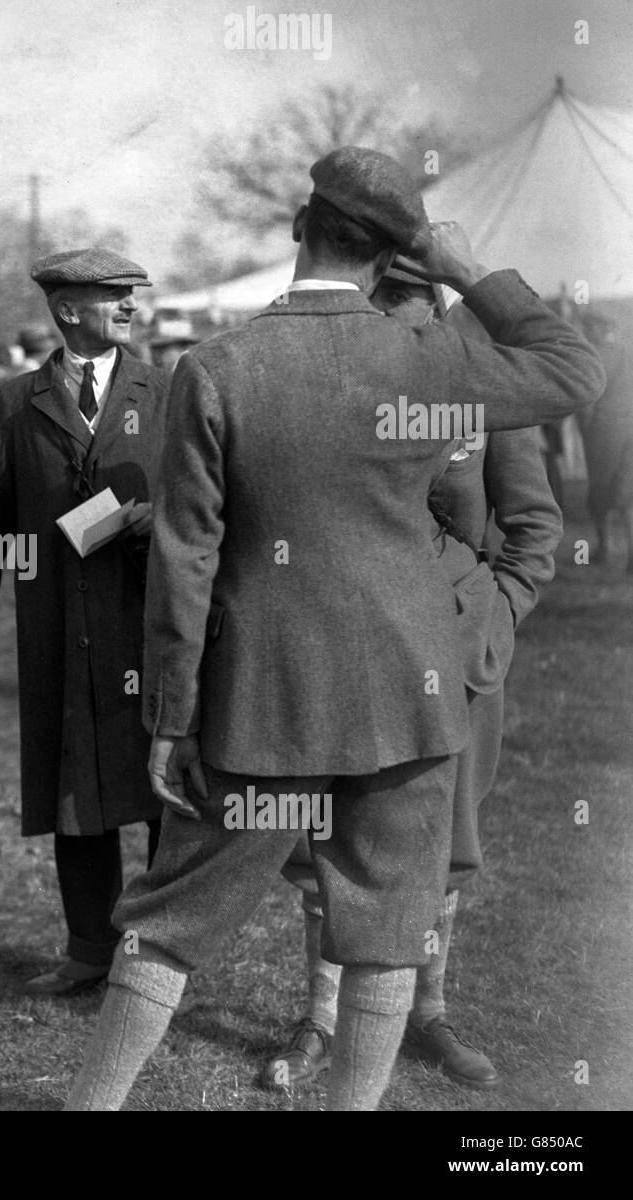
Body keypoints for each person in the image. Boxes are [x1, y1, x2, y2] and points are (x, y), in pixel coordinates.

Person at [64, 147, 605, 1111]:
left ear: (297, 232)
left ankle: (91, 1107)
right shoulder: (429, 355)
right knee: (389, 924)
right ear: (401, 256)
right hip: (411, 697)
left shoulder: (214, 368)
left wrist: (172, 716)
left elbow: (186, 557)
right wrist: (470, 270)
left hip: (258, 700)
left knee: (173, 920)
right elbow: (572, 368)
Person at [261, 263, 563, 1093]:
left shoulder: (480, 378)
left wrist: (498, 614)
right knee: (325, 832)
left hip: (454, 654)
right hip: (340, 646)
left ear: (438, 301)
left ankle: (427, 1013)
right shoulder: (323, 376)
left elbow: (533, 521)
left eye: (413, 301)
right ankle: (321, 1017)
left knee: (446, 841)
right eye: (381, 303)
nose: (397, 319)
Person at [0, 249, 167, 996]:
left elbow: (211, 504)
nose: (129, 307)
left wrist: (151, 522)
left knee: (163, 787)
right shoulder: (16, 403)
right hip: (56, 630)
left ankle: (162, 955)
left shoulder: (167, 391)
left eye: (130, 296)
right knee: (77, 790)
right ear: (67, 310)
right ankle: (89, 949)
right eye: (112, 297)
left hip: (148, 626)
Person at [575, 310, 633, 570]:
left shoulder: (596, 354)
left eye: (589, 327)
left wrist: (586, 427)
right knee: (626, 489)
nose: (586, 332)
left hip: (605, 430)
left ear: (600, 327)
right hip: (627, 426)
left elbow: (588, 394)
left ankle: (605, 548)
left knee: (602, 491)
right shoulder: (625, 349)